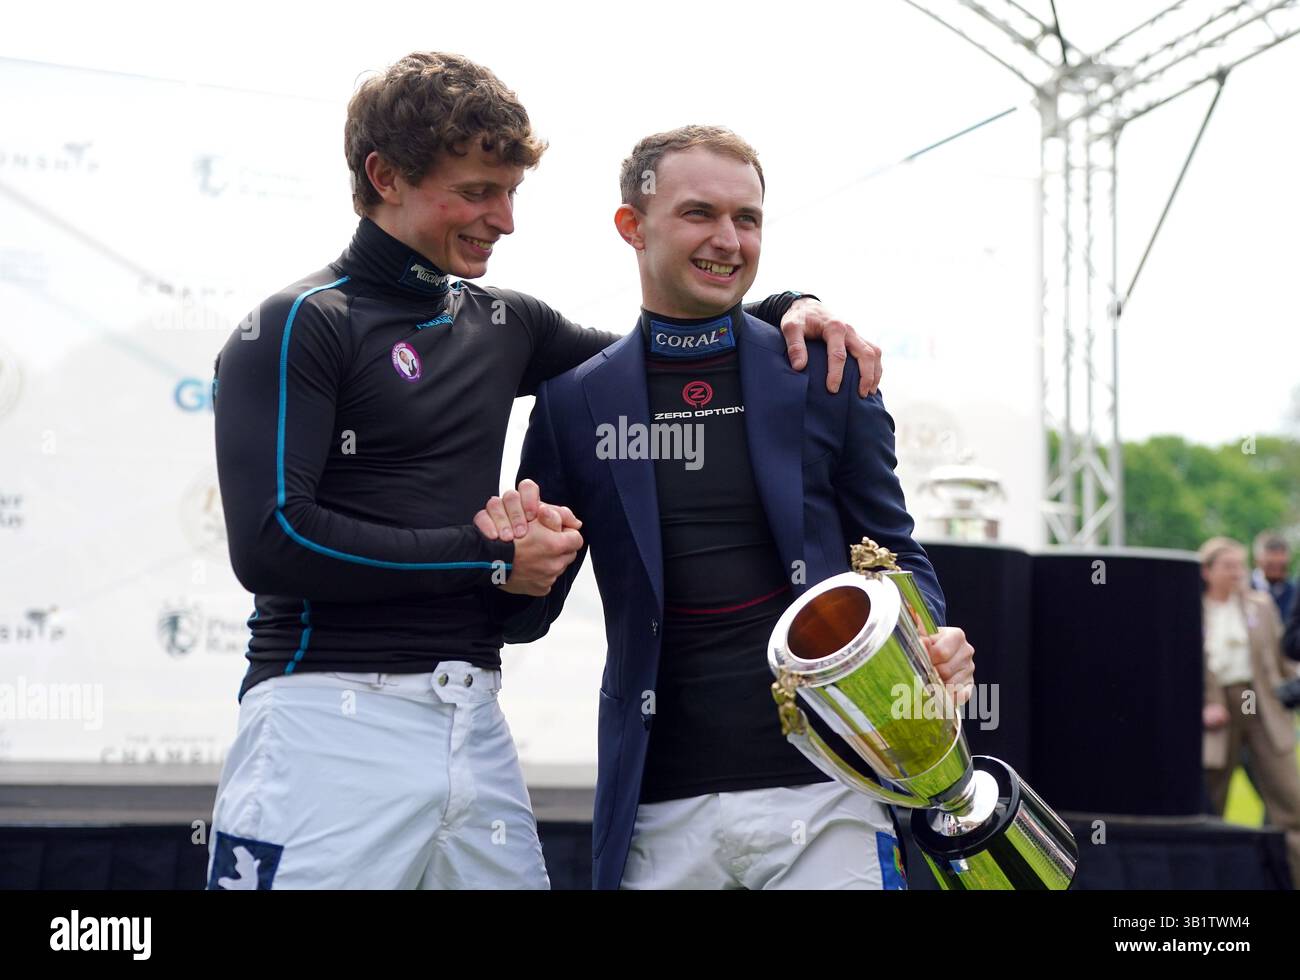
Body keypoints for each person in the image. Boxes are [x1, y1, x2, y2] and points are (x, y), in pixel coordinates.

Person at [205, 53, 879, 890]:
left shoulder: (508, 321)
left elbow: (672, 354)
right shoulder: (296, 322)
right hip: (320, 719)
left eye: (511, 192)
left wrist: (790, 309)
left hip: (472, 718)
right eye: (479, 191)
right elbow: (272, 542)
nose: (505, 219)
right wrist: (487, 558)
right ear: (385, 176)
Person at [481, 125, 975, 890]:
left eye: (747, 219)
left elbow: (895, 551)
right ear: (631, 226)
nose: (728, 240)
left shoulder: (826, 372)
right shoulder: (574, 401)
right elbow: (524, 617)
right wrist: (510, 567)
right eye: (699, 214)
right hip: (659, 813)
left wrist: (928, 639)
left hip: (832, 797)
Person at [1200, 536, 1300, 887]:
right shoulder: (1193, 609)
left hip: (1260, 705)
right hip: (1216, 714)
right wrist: (1204, 706)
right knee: (1209, 806)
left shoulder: (1260, 606)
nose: (1237, 573)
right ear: (1207, 571)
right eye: (1228, 566)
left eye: (1240, 566)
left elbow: (1284, 658)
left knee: (1291, 800)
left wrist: (1294, 687)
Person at [1252, 531, 1296, 623]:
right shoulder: (1245, 589)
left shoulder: (1294, 592)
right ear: (1257, 560)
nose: (1276, 569)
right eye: (1271, 564)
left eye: (1281, 565)